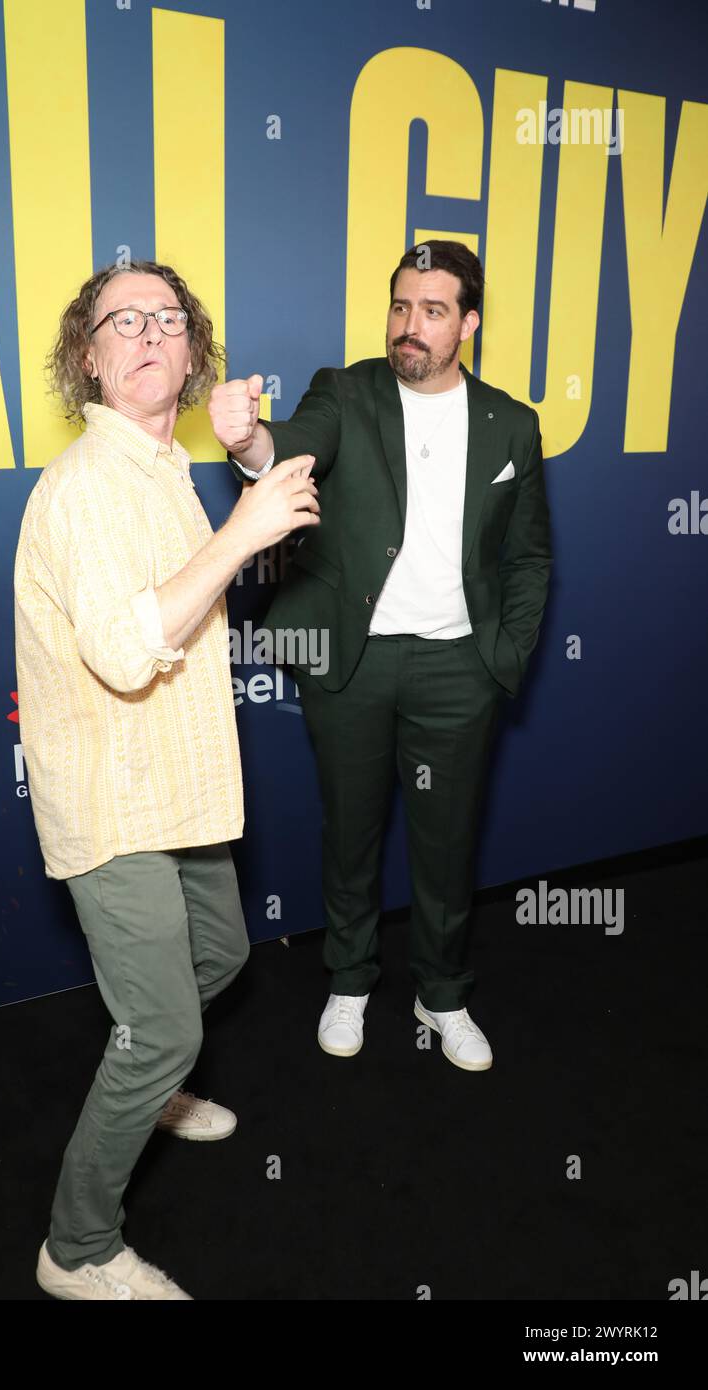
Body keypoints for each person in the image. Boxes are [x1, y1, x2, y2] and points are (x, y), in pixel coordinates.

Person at [14, 259, 318, 1300]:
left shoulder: (162, 468)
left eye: (168, 318)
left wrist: (242, 462)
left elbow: (250, 556)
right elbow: (124, 650)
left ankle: (149, 1073)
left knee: (222, 954)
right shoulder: (87, 487)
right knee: (165, 1026)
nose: (147, 330)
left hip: (177, 785)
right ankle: (78, 1246)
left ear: (189, 353)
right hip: (110, 796)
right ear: (87, 359)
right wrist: (242, 526)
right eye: (120, 320)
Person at [209, 240, 552, 1072]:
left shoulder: (512, 423)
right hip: (352, 664)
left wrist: (499, 657)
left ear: (468, 322)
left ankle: (443, 995)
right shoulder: (347, 390)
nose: (411, 326)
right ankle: (350, 980)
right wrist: (248, 439)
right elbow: (287, 449)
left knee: (446, 845)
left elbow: (528, 557)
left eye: (433, 311)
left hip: (456, 669)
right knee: (351, 834)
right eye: (401, 306)